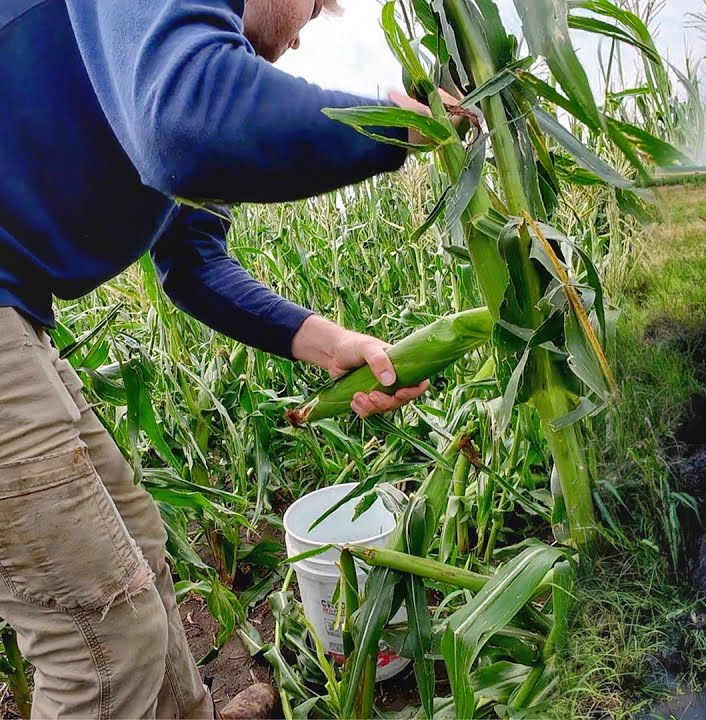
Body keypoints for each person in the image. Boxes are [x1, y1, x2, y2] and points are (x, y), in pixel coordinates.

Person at [0, 0, 462, 717]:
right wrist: (394, 125)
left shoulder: (154, 52)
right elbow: (187, 125)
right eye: (311, 6)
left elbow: (191, 262)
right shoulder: (170, 59)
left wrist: (332, 343)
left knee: (140, 560)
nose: (304, 33)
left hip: (18, 313)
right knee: (100, 637)